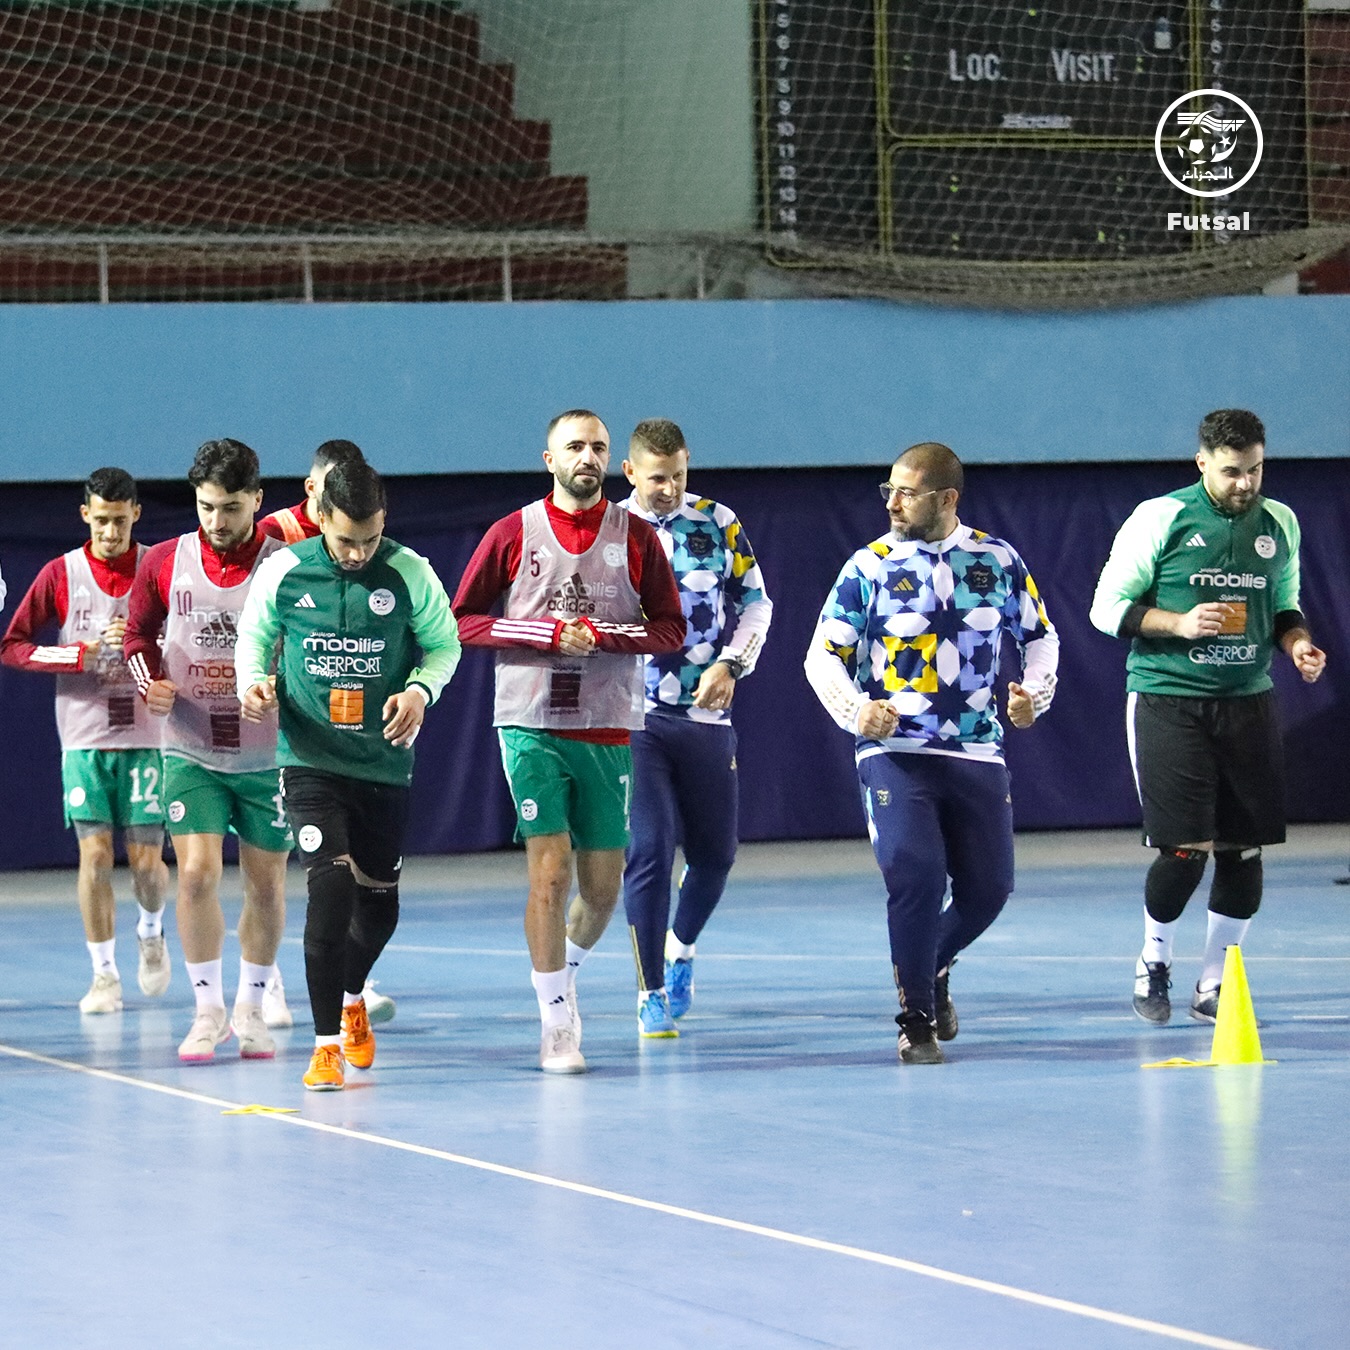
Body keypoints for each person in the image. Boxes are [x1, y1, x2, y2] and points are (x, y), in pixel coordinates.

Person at [805, 442, 1058, 1064]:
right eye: (887, 490)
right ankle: (914, 1018)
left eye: (906, 493)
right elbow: (821, 656)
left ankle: (933, 963)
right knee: (914, 872)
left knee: (989, 890)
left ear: (947, 499)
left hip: (976, 750)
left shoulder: (997, 559)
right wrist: (855, 711)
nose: (891, 503)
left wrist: (1035, 695)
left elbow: (1040, 637)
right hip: (894, 750)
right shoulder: (869, 566)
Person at [452, 409, 684, 1073]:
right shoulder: (511, 532)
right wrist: (548, 634)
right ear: (549, 459)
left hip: (606, 723)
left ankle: (565, 972)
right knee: (549, 872)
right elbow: (464, 620)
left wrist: (602, 636)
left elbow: (669, 630)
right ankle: (556, 1020)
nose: (589, 456)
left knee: (603, 889)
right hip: (530, 722)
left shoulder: (637, 537)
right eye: (575, 446)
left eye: (598, 447)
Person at [1090, 409, 1327, 1025]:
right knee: (1185, 851)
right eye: (1231, 472)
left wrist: (1298, 644)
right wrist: (1180, 623)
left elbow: (1284, 607)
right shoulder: (1160, 516)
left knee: (1243, 853)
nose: (1245, 484)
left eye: (1255, 470)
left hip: (1248, 701)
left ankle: (1214, 985)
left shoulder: (1280, 522)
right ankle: (1153, 961)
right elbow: (1106, 609)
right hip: (1168, 699)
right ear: (1202, 463)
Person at [237, 459, 461, 1091]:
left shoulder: (409, 571)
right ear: (320, 518)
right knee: (330, 890)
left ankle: (352, 994)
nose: (358, 553)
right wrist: (252, 684)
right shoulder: (285, 569)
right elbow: (253, 639)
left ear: (383, 521)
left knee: (379, 909)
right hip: (309, 759)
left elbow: (445, 645)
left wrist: (419, 691)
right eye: (344, 540)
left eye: (369, 538)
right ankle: (325, 1046)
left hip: (383, 760)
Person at [125, 439, 294, 1062]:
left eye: (230, 507)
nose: (216, 521)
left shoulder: (288, 566)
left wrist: (278, 687)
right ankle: (207, 1011)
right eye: (205, 506)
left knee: (265, 886)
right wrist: (151, 684)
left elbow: (310, 650)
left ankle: (250, 1006)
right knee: (195, 873)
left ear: (257, 499)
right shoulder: (165, 561)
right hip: (190, 746)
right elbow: (138, 636)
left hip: (266, 755)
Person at [617, 418, 773, 1035]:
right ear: (630, 472)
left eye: (679, 475)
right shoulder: (605, 530)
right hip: (633, 716)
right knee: (650, 850)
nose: (670, 488)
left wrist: (732, 662)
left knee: (715, 856)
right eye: (658, 478)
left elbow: (756, 603)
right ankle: (649, 990)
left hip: (707, 717)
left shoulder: (719, 521)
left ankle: (680, 951)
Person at [1, 467, 170, 1013]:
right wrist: (78, 654)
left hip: (147, 735)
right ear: (84, 516)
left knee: (146, 864)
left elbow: (190, 640)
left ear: (136, 514)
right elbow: (13, 645)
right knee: (94, 858)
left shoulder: (159, 567)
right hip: (85, 738)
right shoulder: (61, 573)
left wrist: (148, 640)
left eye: (120, 521)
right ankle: (103, 976)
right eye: (101, 521)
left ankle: (151, 932)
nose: (111, 532)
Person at [258, 438, 396, 1027]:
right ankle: (270, 985)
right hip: (288, 728)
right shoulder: (272, 542)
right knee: (304, 876)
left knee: (368, 893)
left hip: (362, 739)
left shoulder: (382, 554)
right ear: (314, 494)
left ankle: (349, 987)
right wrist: (260, 680)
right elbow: (253, 625)